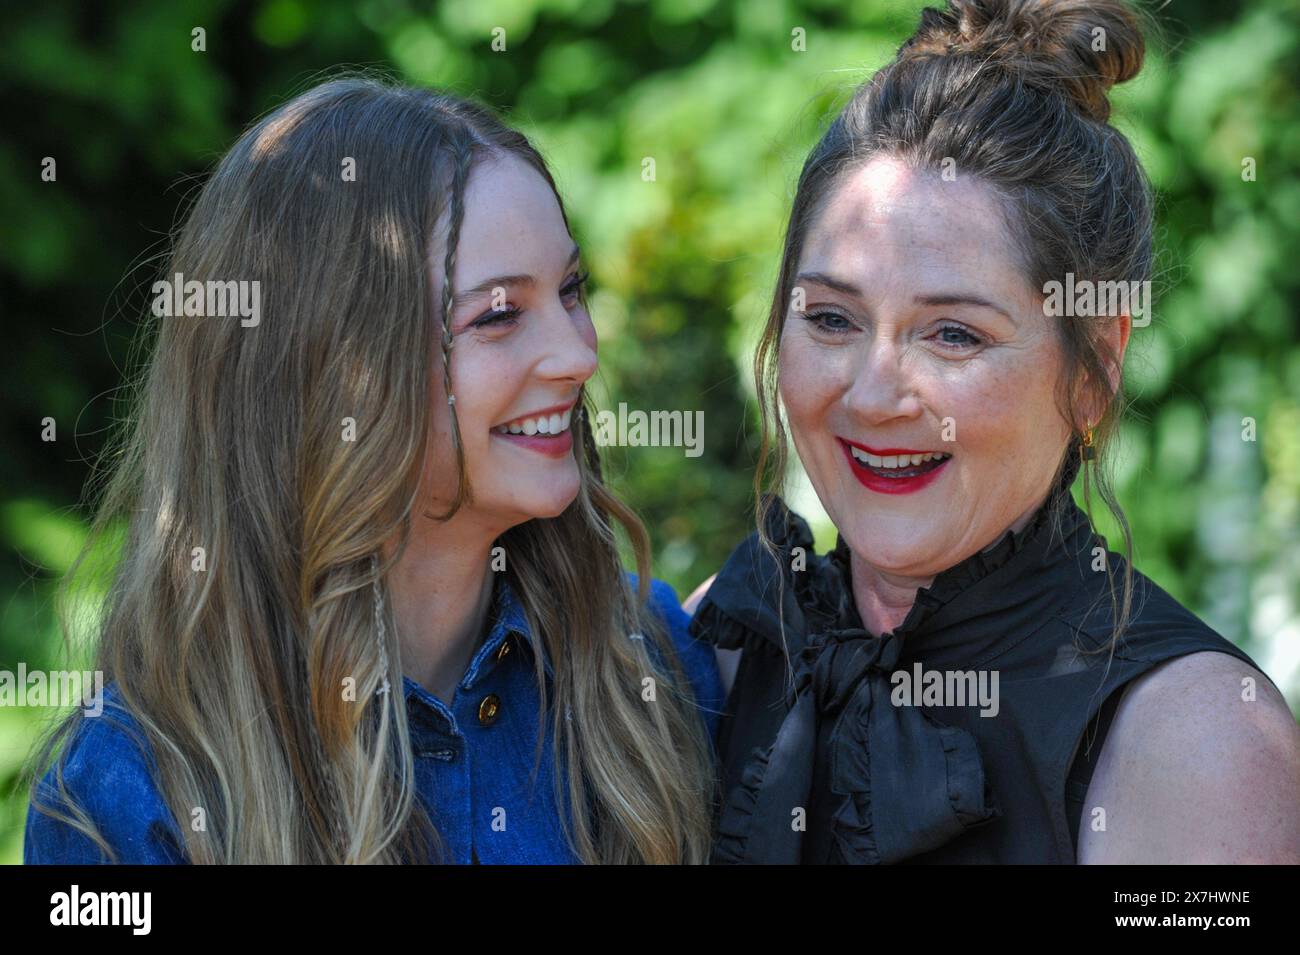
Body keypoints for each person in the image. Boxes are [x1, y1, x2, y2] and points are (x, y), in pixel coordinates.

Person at [24, 76, 723, 865]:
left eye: (571, 291)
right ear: (324, 373)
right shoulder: (131, 791)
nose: (578, 353)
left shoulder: (657, 670)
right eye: (498, 315)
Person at [688, 0, 1300, 864]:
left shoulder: (1201, 745)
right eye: (831, 318)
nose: (872, 396)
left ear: (1093, 366)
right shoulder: (723, 642)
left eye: (954, 334)